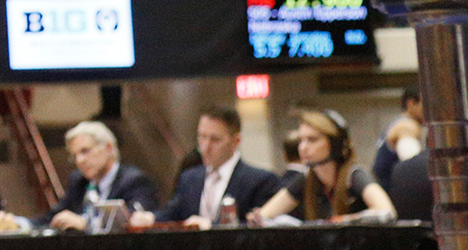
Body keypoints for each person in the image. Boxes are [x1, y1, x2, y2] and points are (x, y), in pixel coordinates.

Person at [132, 107, 280, 229]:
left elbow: (259, 226)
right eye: (201, 137)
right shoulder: (190, 177)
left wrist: (211, 227)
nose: (205, 147)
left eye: (215, 140)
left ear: (236, 141)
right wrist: (150, 217)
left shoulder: (259, 181)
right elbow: (174, 211)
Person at [0, 122, 158, 231]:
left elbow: (131, 225)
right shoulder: (78, 181)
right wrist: (18, 224)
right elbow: (53, 217)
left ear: (108, 149)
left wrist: (86, 224)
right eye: (74, 156)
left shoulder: (134, 181)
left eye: (85, 151)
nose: (79, 161)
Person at [253, 109, 397, 224]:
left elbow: (387, 212)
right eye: (301, 140)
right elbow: (264, 216)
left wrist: (345, 221)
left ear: (336, 144)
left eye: (312, 140)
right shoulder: (306, 179)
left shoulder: (354, 175)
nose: (303, 147)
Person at [374, 88, 424, 188]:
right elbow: (415, 170)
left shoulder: (397, 123)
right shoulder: (407, 126)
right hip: (393, 193)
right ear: (411, 103)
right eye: (426, 103)